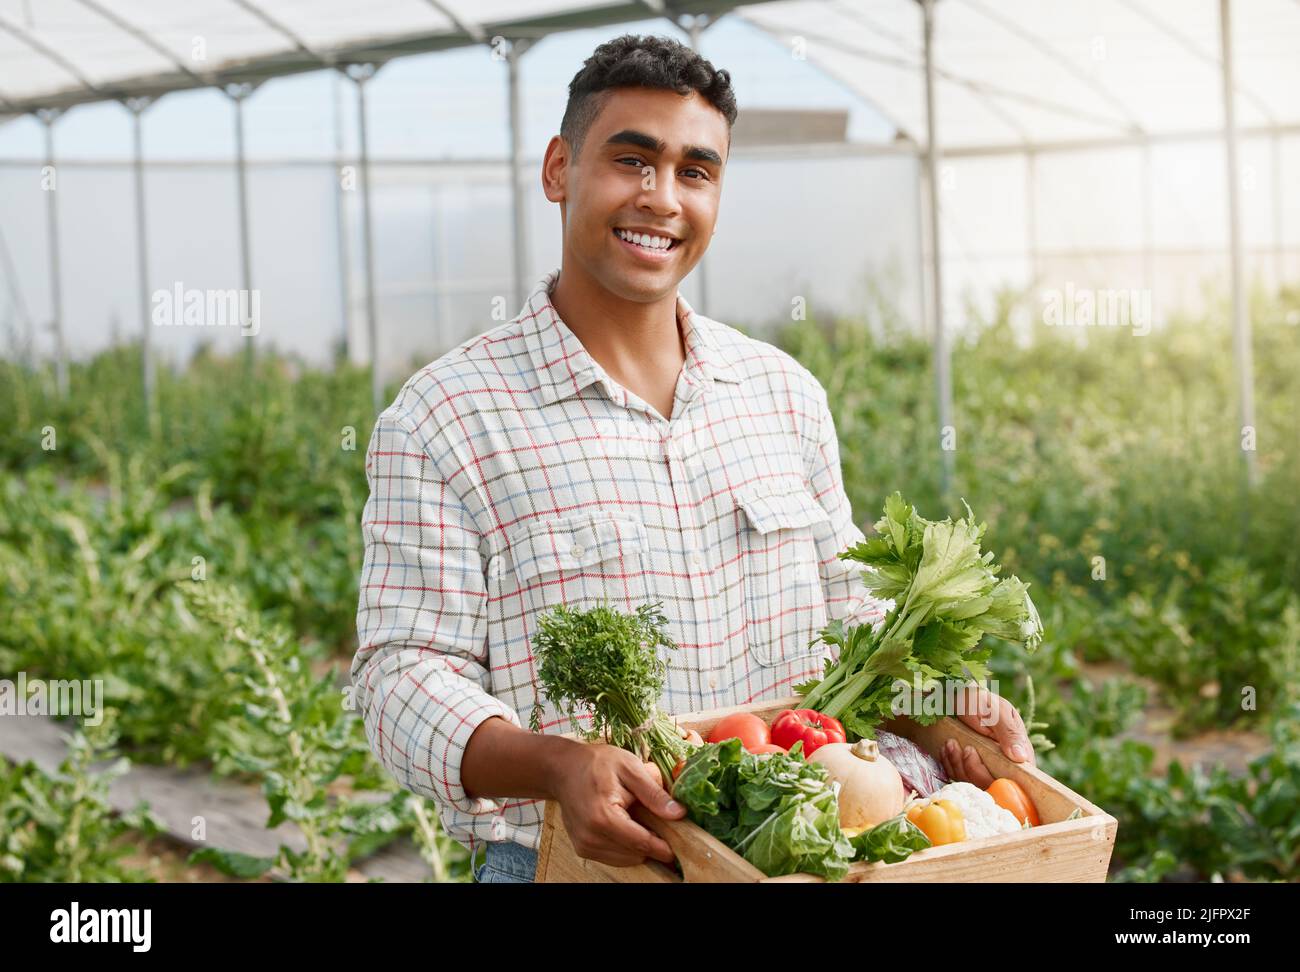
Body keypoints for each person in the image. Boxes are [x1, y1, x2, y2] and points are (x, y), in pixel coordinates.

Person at [350, 33, 1036, 885]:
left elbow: (848, 613)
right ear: (559, 169)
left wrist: (941, 711)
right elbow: (402, 676)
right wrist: (559, 766)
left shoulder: (782, 394)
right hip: (573, 867)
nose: (661, 198)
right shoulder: (446, 417)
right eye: (631, 161)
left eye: (695, 171)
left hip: (797, 859)